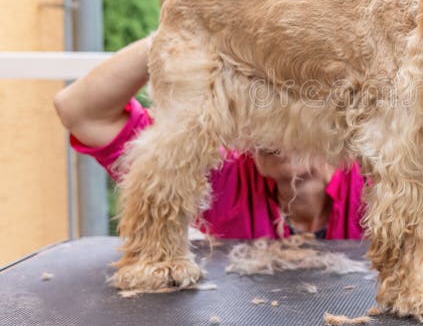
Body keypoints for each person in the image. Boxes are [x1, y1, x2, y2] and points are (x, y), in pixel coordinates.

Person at [53, 36, 365, 240]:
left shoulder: (380, 180)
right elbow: (79, 111)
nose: (275, 127)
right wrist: (187, 33)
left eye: (294, 102)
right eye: (258, 106)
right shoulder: (222, 175)